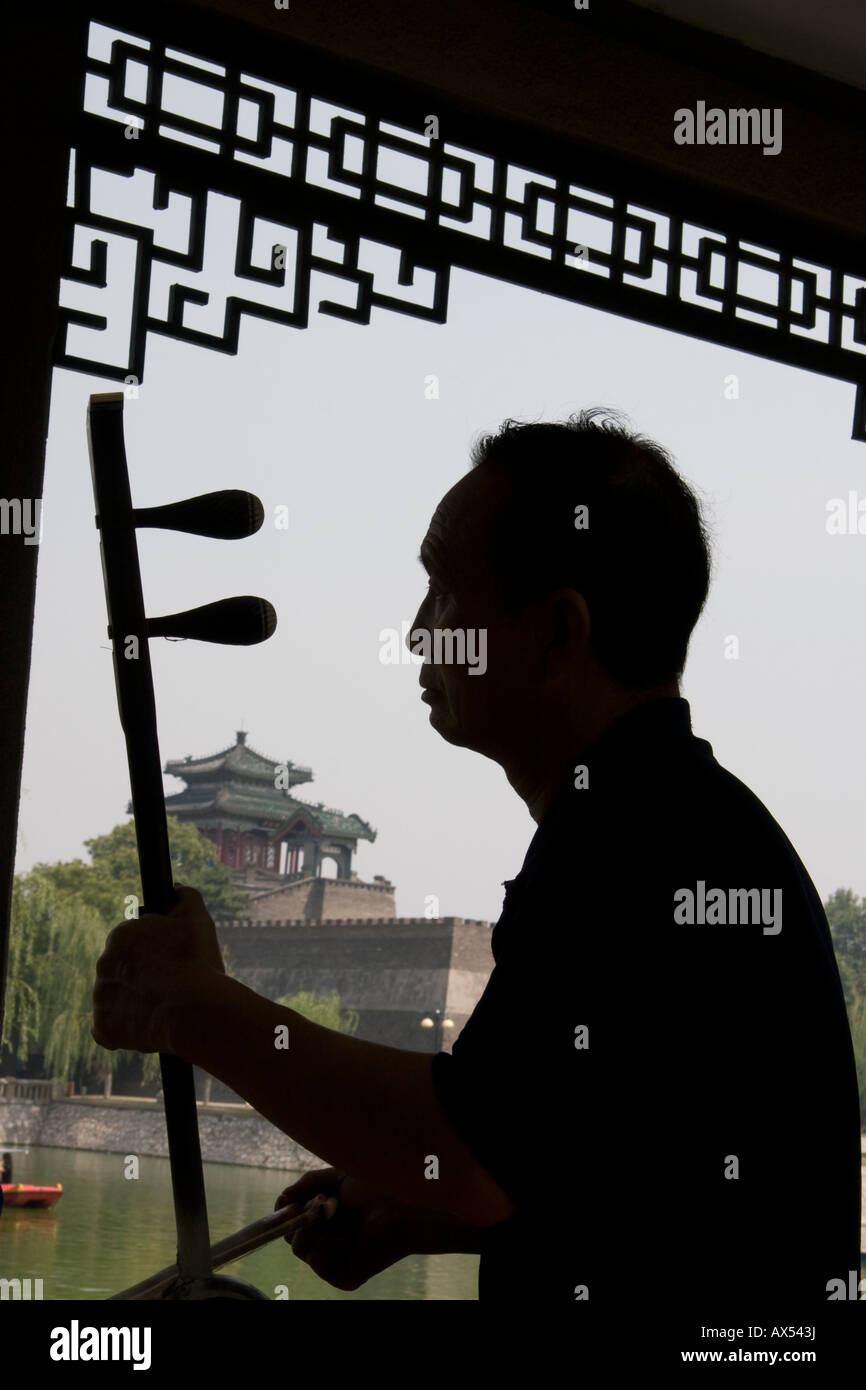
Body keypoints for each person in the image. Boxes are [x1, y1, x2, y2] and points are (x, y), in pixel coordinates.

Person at [91, 409, 861, 1314]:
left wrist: (198, 1013)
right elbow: (619, 1166)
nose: (418, 633)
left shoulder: (637, 838)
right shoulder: (665, 816)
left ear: (561, 636)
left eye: (444, 594)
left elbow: (470, 1145)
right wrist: (425, 1215)